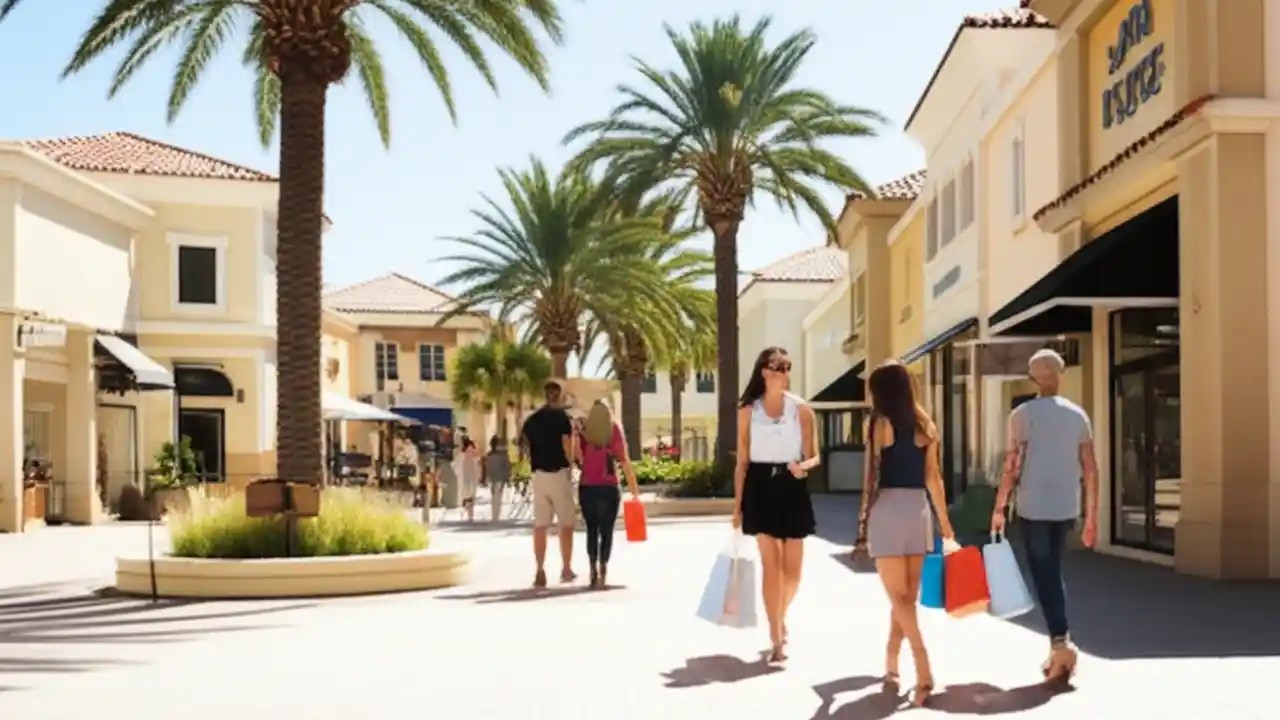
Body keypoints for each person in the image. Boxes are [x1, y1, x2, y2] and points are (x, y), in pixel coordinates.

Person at [991, 348, 1097, 682]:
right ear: (1060, 374)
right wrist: (1091, 517)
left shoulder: (1022, 414)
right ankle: (1059, 645)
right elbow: (1090, 468)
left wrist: (999, 507)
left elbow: (1013, 464)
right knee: (1052, 571)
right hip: (1066, 505)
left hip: (1034, 505)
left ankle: (1061, 644)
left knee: (1045, 574)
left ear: (1034, 377)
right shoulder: (1078, 415)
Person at [856, 361, 956, 708]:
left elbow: (869, 475)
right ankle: (891, 663)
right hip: (918, 511)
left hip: (887, 511)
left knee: (900, 600)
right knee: (905, 599)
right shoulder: (925, 424)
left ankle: (922, 667)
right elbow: (934, 478)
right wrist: (944, 522)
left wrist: (862, 522)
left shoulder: (878, 423)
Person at [733, 346, 819, 664]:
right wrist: (737, 505)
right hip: (759, 486)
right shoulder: (747, 412)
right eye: (776, 368)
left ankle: (779, 616)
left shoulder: (801, 410)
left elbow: (815, 454)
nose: (782, 374)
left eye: (786, 368)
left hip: (792, 485)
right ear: (763, 371)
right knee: (772, 566)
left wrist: (804, 466)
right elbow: (741, 461)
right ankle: (776, 637)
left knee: (793, 573)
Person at [577, 401, 641, 589]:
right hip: (609, 489)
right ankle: (604, 566)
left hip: (587, 487)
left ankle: (592, 568)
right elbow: (624, 460)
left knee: (591, 529)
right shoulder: (614, 430)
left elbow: (577, 458)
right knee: (606, 530)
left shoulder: (584, 433)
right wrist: (634, 489)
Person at [520, 380, 577, 587]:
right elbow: (567, 445)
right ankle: (566, 568)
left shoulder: (532, 420)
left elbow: (524, 445)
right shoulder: (562, 417)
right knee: (566, 524)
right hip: (558, 473)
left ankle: (540, 569)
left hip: (539, 475)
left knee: (540, 526)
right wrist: (572, 466)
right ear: (559, 395)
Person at [481, 436, 511, 522]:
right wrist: (507, 477)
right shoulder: (503, 455)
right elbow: (507, 467)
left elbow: (486, 467)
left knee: (494, 496)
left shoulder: (489, 455)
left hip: (492, 477)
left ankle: (495, 516)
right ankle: (496, 516)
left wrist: (485, 478)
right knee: (498, 496)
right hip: (500, 477)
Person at [457, 436, 482, 522]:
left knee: (466, 494)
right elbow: (478, 463)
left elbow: (460, 464)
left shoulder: (462, 452)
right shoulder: (474, 452)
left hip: (466, 475)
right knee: (471, 495)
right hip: (473, 475)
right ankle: (470, 514)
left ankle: (467, 511)